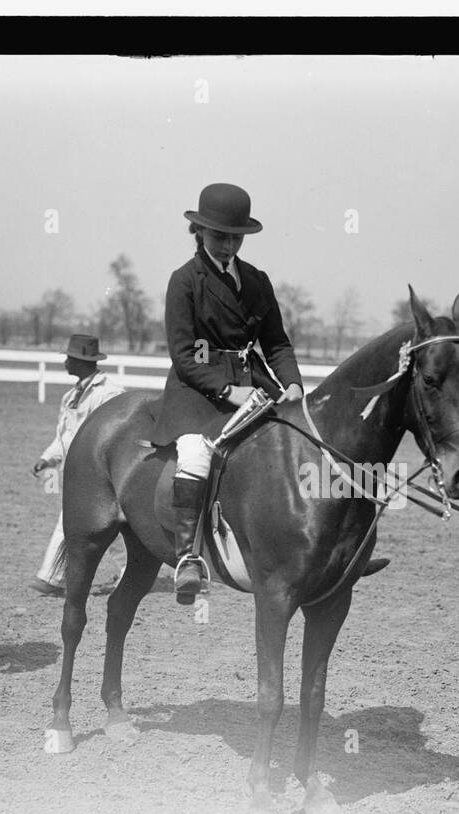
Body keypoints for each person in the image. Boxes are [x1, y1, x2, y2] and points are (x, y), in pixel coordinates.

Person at [148, 182, 304, 603]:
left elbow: (276, 343)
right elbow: (183, 355)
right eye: (220, 236)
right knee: (198, 452)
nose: (228, 245)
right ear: (199, 233)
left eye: (235, 237)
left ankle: (309, 548)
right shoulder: (185, 281)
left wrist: (291, 382)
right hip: (198, 391)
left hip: (253, 384)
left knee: (302, 440)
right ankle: (188, 558)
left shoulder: (256, 280)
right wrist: (227, 390)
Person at [30, 334, 123, 596]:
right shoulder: (71, 395)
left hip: (97, 470)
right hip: (74, 470)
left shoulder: (110, 393)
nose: (66, 362)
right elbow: (64, 435)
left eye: (70, 358)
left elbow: (116, 434)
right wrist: (48, 457)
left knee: (72, 521)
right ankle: (131, 570)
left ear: (82, 361)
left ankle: (51, 577)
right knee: (106, 526)